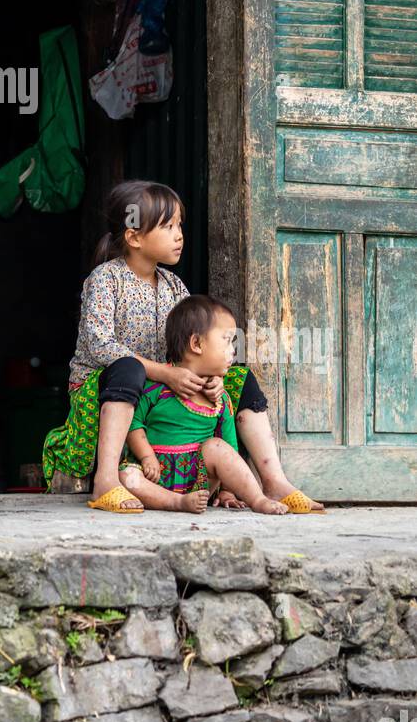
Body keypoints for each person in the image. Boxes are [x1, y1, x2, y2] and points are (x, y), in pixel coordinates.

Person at [41, 179, 325, 515]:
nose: (179, 235)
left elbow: (192, 347)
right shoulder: (106, 279)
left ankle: (273, 480)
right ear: (133, 237)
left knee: (239, 378)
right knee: (128, 369)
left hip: (165, 383)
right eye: (168, 226)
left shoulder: (175, 286)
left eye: (180, 225)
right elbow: (101, 345)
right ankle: (106, 480)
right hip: (106, 386)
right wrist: (163, 372)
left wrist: (212, 376)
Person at [122, 295, 289, 514]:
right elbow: (133, 423)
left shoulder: (220, 399)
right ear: (196, 344)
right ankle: (175, 502)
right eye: (227, 340)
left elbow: (229, 448)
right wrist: (146, 456)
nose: (233, 350)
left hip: (199, 482)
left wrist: (227, 491)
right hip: (154, 475)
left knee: (217, 447)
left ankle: (258, 500)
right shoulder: (156, 389)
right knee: (125, 475)